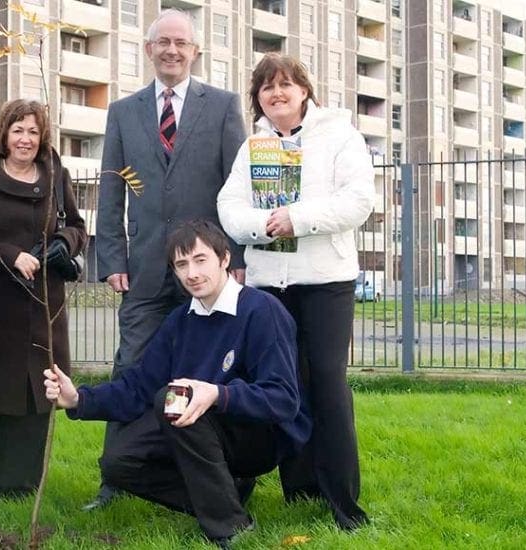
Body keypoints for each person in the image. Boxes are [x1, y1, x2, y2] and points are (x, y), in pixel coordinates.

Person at [44, 220, 310, 549]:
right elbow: (138, 387)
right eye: (182, 264)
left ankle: (231, 526)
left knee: (174, 399)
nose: (192, 273)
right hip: (198, 429)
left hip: (257, 435)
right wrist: (78, 400)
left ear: (224, 258)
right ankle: (225, 494)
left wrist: (217, 394)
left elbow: (283, 399)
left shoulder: (261, 310)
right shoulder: (180, 320)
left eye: (200, 260)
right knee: (119, 463)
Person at [92, 7, 247, 510]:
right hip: (142, 270)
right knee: (131, 365)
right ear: (149, 49)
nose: (172, 51)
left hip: (206, 267)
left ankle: (221, 475)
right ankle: (115, 475)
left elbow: (237, 186)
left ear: (195, 51)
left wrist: (236, 257)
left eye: (182, 43)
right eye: (163, 43)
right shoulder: (123, 111)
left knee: (210, 371)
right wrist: (112, 255)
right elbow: (112, 190)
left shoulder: (222, 107)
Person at [216, 52, 375, 530]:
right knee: (284, 386)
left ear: (304, 90)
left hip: (325, 282)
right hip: (270, 286)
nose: (277, 94)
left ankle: (343, 500)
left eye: (286, 84)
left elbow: (358, 201)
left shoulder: (340, 136)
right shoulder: (254, 147)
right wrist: (262, 226)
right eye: (267, 88)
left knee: (326, 385)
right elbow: (230, 204)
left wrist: (298, 218)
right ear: (257, 99)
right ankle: (299, 490)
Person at [0, 99, 87, 500]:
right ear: (4, 133)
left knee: (37, 394)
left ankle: (28, 486)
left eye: (33, 131)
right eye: (18, 130)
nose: (25, 139)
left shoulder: (56, 174)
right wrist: (9, 254)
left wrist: (65, 243)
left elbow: (76, 225)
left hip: (42, 304)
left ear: (42, 138)